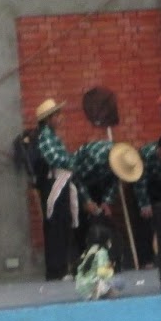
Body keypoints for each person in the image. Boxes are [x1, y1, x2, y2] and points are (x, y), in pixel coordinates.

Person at [31, 98, 81, 281]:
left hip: (60, 181)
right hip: (54, 184)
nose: (60, 118)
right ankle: (56, 270)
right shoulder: (45, 137)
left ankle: (61, 267)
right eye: (56, 115)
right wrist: (73, 161)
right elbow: (55, 159)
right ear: (48, 119)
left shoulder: (51, 136)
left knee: (62, 224)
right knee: (55, 225)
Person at [75, 221, 119, 300]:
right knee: (120, 282)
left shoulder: (88, 251)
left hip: (80, 286)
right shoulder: (102, 252)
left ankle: (96, 291)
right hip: (92, 284)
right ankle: (99, 289)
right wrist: (110, 269)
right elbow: (102, 272)